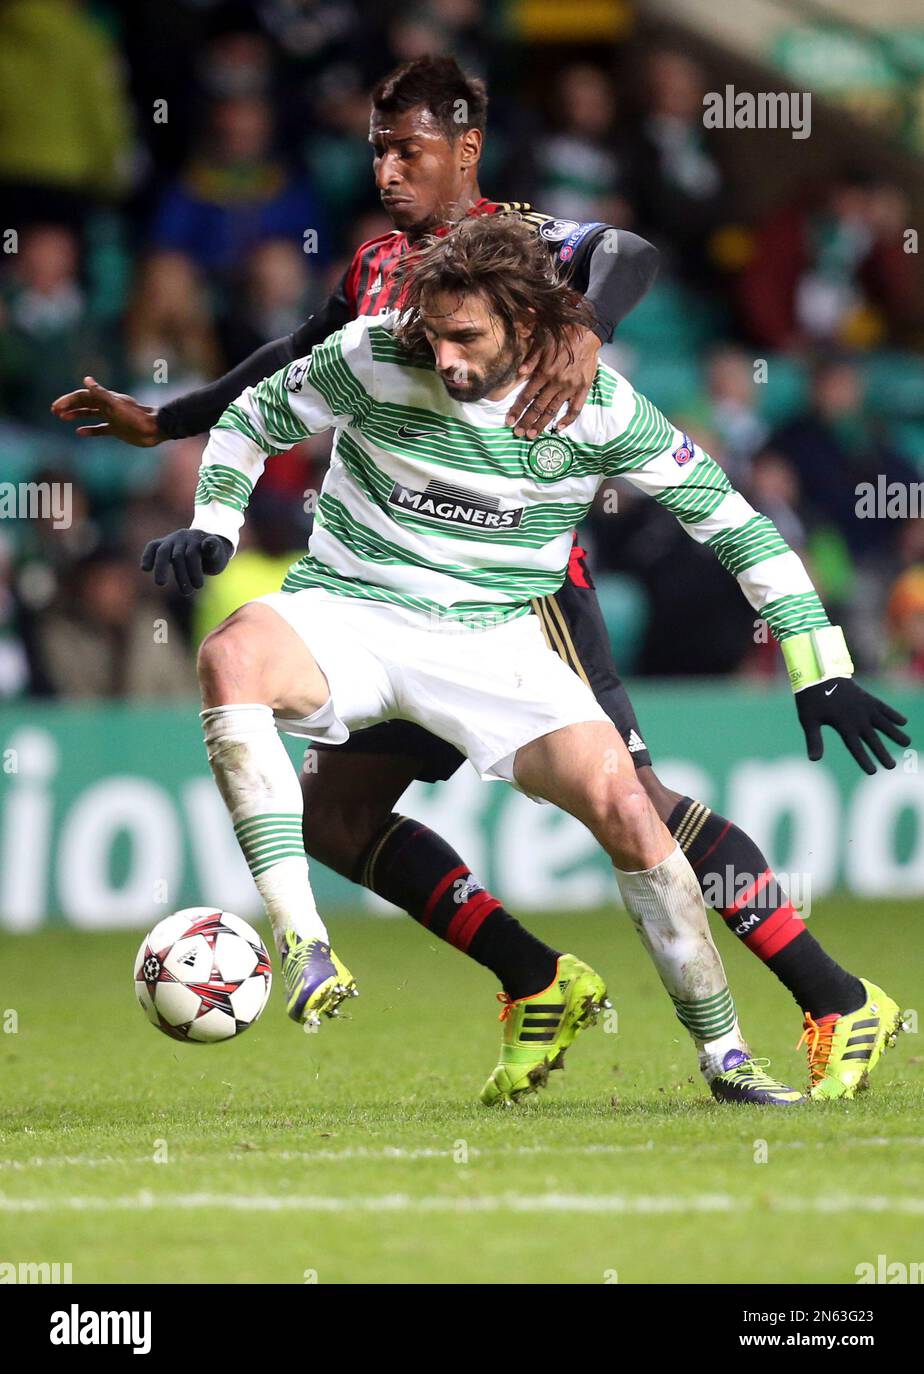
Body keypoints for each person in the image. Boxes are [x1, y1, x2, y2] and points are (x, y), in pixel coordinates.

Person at [53, 57, 909, 1102]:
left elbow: (627, 254)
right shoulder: (381, 278)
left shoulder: (533, 243)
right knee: (335, 821)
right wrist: (172, 419)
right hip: (386, 588)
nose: (385, 167)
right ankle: (537, 976)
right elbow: (291, 364)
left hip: (527, 592)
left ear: (464, 149)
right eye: (374, 146)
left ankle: (829, 998)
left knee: (631, 799)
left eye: (407, 147)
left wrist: (582, 329)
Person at [146, 215, 818, 1109]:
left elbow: (737, 527)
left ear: (528, 328)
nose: (446, 357)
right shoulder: (376, 350)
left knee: (627, 806)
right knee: (230, 656)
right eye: (435, 332)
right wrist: (216, 525)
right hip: (352, 608)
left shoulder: (602, 407)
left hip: (496, 640)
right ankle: (303, 942)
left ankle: (727, 1058)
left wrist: (824, 663)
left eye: (467, 337)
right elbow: (250, 418)